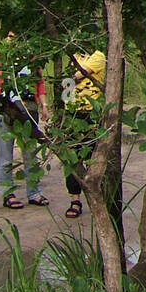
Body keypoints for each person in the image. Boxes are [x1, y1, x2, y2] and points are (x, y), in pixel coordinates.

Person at [0, 33, 50, 209]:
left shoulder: (31, 57)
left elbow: (39, 83)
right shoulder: (0, 58)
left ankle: (34, 192)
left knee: (30, 153)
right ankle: (7, 193)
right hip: (6, 108)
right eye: (9, 36)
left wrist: (44, 106)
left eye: (16, 36)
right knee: (5, 154)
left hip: (28, 107)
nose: (12, 40)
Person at [62, 48, 106, 220]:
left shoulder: (98, 56)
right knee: (72, 158)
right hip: (72, 113)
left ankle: (96, 196)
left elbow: (78, 75)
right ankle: (74, 200)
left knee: (92, 156)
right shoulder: (73, 57)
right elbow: (65, 84)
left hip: (90, 113)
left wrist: (72, 74)